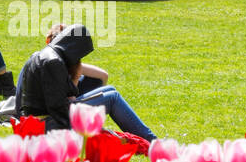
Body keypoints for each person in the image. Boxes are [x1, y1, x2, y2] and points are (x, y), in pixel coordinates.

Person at [16, 23, 156, 141]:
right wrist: (96, 130)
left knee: (111, 91)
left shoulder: (45, 55)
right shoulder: (53, 61)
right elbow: (58, 108)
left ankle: (148, 138)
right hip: (46, 125)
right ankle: (152, 141)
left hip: (39, 121)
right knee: (112, 98)